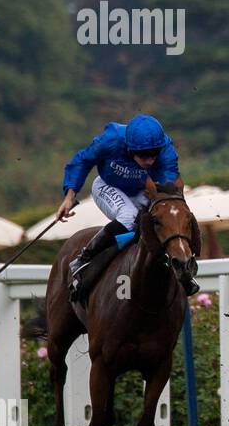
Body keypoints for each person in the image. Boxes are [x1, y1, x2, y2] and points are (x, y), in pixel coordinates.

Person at [58, 113, 197, 300]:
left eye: (154, 154)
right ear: (129, 149)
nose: (150, 160)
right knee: (129, 217)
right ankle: (84, 258)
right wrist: (69, 195)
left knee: (166, 217)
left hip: (141, 190)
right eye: (144, 155)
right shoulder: (110, 140)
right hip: (107, 186)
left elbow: (168, 186)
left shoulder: (166, 150)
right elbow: (83, 160)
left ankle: (183, 267)